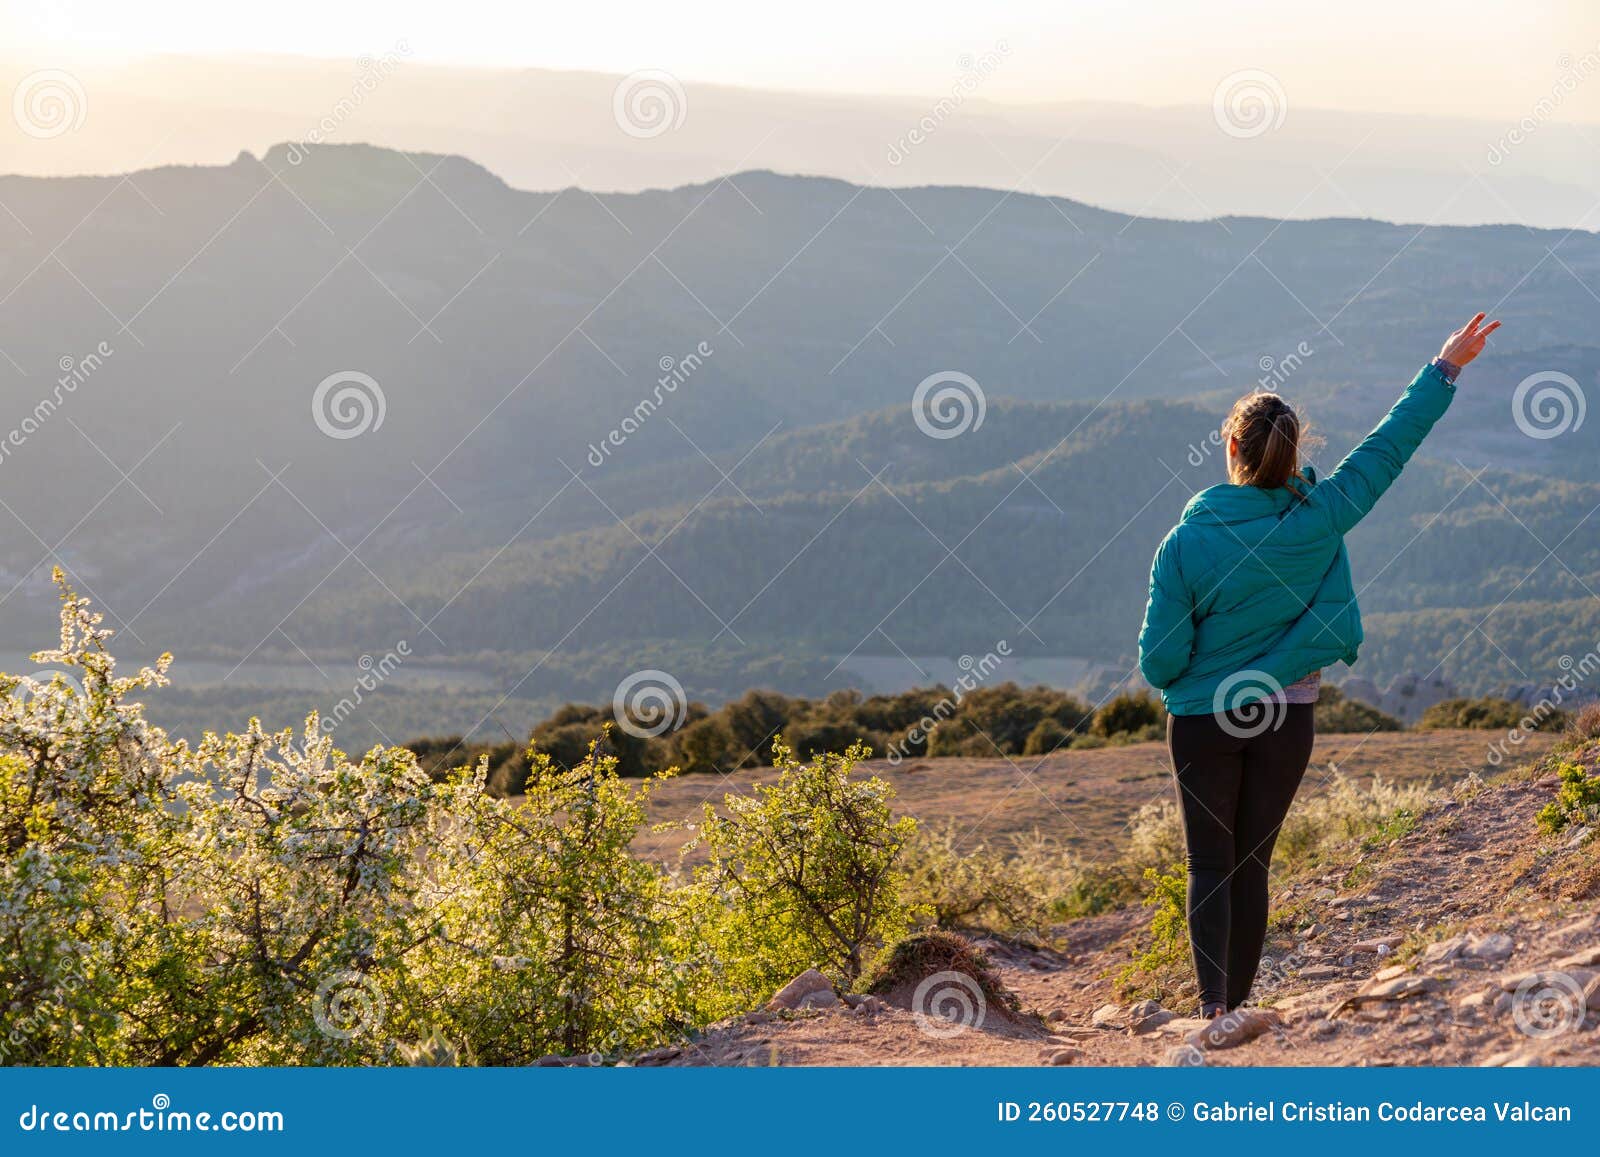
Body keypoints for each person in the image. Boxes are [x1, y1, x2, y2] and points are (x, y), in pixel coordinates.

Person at [1137, 313, 1501, 1019]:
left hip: (1203, 722)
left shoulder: (1182, 543)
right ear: (1292, 450)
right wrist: (1445, 367)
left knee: (1209, 865)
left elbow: (1160, 661)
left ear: (1232, 447)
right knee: (1251, 865)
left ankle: (1215, 1010)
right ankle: (1238, 1010)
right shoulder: (1323, 513)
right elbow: (1387, 449)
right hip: (1286, 715)